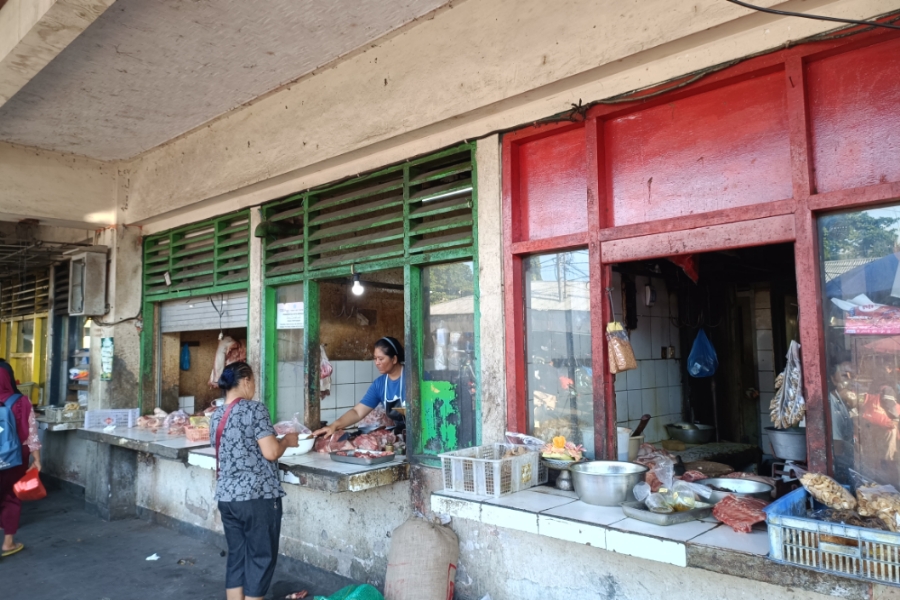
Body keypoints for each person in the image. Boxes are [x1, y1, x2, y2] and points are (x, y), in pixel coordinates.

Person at [210, 361, 298, 600]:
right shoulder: (254, 410)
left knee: (237, 556)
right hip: (256, 498)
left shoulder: (216, 415)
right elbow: (270, 452)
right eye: (254, 381)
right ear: (246, 380)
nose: (255, 387)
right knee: (261, 558)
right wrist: (287, 441)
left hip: (227, 498)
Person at [314, 336, 406, 437]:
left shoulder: (413, 379)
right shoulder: (380, 384)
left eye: (381, 359)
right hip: (402, 434)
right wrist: (334, 426)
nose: (377, 363)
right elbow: (357, 412)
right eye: (375, 359)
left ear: (394, 359)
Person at [0, 366, 40, 558]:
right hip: (15, 457)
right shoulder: (21, 401)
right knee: (11, 496)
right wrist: (37, 459)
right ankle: (8, 543)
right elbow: (32, 434)